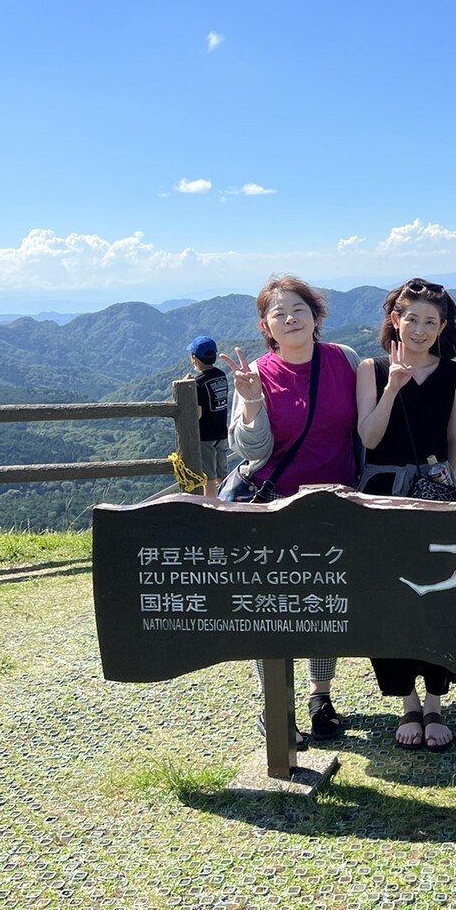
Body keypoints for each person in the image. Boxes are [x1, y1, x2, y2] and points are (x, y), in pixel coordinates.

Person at [220, 276, 359, 746]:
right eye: (278, 313)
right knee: (271, 609)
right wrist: (252, 398)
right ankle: (274, 709)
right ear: (266, 326)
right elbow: (249, 448)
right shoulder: (255, 373)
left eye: (298, 308)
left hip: (335, 501)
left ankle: (321, 696)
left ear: (316, 315)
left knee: (324, 603)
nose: (290, 318)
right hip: (273, 504)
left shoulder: (345, 360)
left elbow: (363, 429)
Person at [356, 279, 456, 751]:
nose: (420, 330)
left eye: (431, 322)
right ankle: (406, 701)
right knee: (387, 596)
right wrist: (392, 388)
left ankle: (437, 700)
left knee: (442, 596)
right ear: (394, 319)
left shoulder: (453, 372)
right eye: (412, 318)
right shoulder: (372, 368)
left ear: (443, 327)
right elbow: (369, 438)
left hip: (437, 493)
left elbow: (453, 441)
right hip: (382, 493)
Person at [184, 335, 230, 497]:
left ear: (194, 358)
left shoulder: (198, 383)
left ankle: (211, 510)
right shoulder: (221, 375)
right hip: (221, 432)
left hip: (206, 437)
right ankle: (227, 503)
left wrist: (187, 389)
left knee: (208, 478)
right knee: (222, 474)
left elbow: (197, 414)